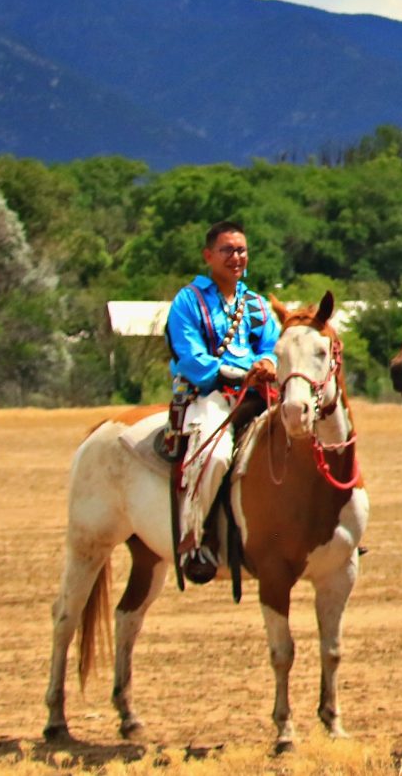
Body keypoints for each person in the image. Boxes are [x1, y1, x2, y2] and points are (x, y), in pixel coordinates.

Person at [164, 219, 279, 584]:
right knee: (214, 456)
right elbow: (190, 355)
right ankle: (194, 537)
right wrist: (237, 374)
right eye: (227, 250)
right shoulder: (188, 301)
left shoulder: (257, 304)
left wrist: (268, 362)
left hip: (260, 394)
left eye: (241, 250)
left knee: (309, 431)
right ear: (208, 256)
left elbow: (271, 344)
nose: (236, 257)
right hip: (209, 394)